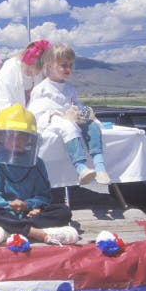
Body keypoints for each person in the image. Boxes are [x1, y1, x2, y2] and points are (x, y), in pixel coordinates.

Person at [0, 104, 79, 246]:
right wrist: (8, 205)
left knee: (64, 211)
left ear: (30, 139)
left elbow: (44, 195)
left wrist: (31, 205)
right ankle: (35, 232)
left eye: (22, 137)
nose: (17, 141)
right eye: (11, 136)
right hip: (3, 209)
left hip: (28, 212)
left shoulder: (37, 163)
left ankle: (8, 229)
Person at [28, 44, 110, 185]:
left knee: (91, 126)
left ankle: (100, 167)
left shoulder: (70, 88)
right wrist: (53, 116)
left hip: (70, 118)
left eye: (71, 65)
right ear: (49, 66)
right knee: (68, 127)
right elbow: (36, 111)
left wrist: (83, 112)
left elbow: (76, 104)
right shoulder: (40, 89)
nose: (68, 69)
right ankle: (81, 168)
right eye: (63, 65)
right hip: (52, 121)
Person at [0, 40, 48, 111]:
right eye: (30, 71)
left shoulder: (39, 73)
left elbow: (39, 98)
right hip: (8, 116)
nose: (34, 74)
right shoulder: (9, 70)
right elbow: (2, 101)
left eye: (38, 72)